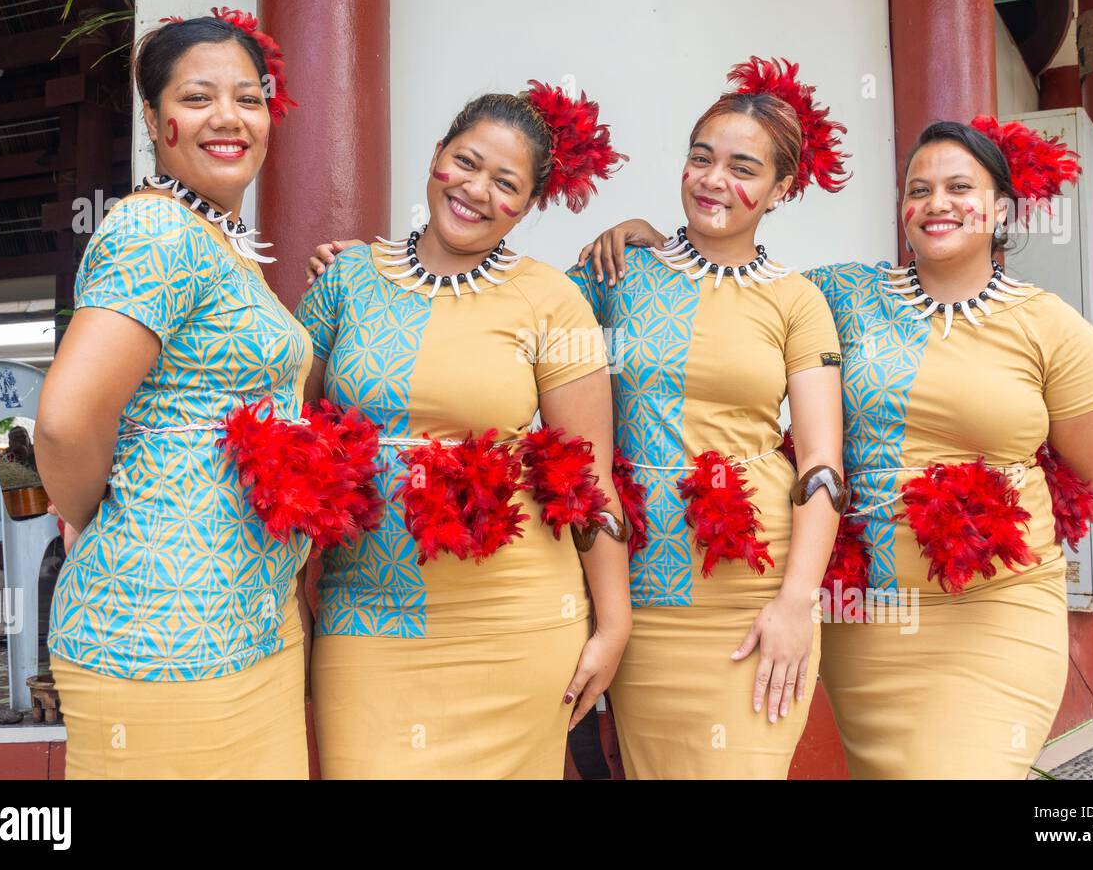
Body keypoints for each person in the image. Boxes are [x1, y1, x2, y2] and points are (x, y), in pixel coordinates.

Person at [306, 56, 848, 779]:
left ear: (782, 188)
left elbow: (820, 466)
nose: (715, 180)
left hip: (742, 587)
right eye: (701, 158)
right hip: (630, 579)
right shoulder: (607, 274)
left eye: (743, 168)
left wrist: (795, 600)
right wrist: (360, 270)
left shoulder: (797, 300)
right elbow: (479, 309)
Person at [577, 115, 1093, 778]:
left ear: (1001, 207)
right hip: (869, 615)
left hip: (994, 604)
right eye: (918, 189)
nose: (935, 203)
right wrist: (653, 244)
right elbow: (733, 294)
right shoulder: (841, 293)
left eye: (959, 186)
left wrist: (987, 503)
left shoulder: (1053, 327)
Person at [295, 81, 632, 779]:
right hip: (364, 618)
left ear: (530, 204)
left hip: (515, 620)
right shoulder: (346, 279)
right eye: (467, 162)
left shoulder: (554, 301)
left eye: (505, 182)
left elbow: (589, 479)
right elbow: (295, 447)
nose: (476, 190)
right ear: (436, 155)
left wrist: (613, 624)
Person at [36, 8, 313, 779]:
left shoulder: (215, 239)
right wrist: (105, 517)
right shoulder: (155, 232)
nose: (229, 117)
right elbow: (62, 423)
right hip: (161, 633)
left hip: (248, 626)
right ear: (157, 122)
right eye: (199, 98)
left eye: (250, 98)